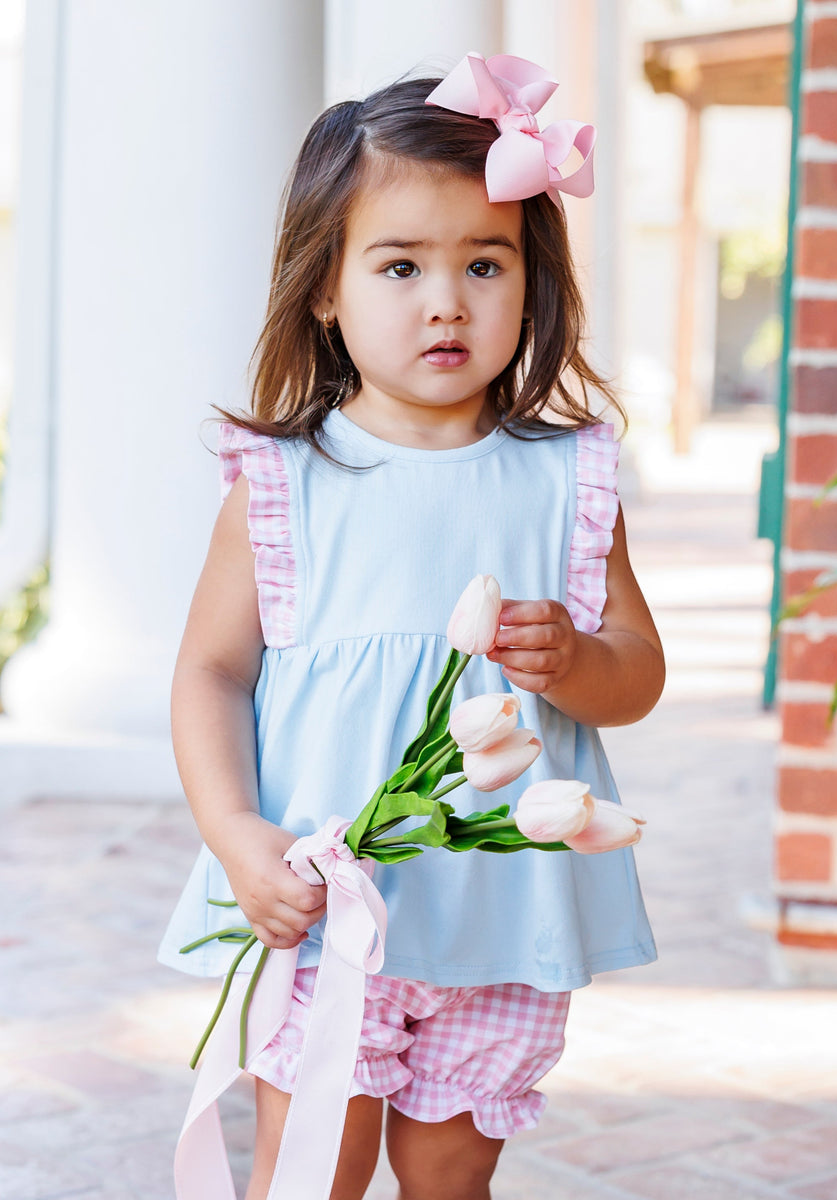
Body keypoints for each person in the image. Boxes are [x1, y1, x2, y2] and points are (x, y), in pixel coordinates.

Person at [159, 53, 665, 1200]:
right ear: (326, 290)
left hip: (497, 911)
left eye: (485, 263)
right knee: (311, 1172)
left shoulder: (568, 479)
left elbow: (636, 676)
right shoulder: (287, 482)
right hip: (325, 903)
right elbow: (211, 673)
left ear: (531, 285)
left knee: (448, 1176)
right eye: (401, 265)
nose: (447, 300)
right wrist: (240, 837)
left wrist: (579, 663)